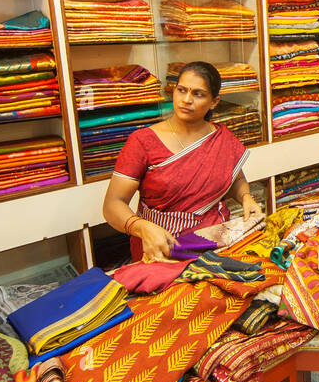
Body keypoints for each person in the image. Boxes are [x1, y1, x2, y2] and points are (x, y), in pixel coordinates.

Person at [102, 61, 263, 262]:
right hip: (160, 249)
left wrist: (246, 197)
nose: (186, 99)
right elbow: (113, 204)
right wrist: (141, 227)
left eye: (198, 94)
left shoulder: (221, 138)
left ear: (214, 102)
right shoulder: (143, 141)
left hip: (216, 242)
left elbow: (236, 179)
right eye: (182, 90)